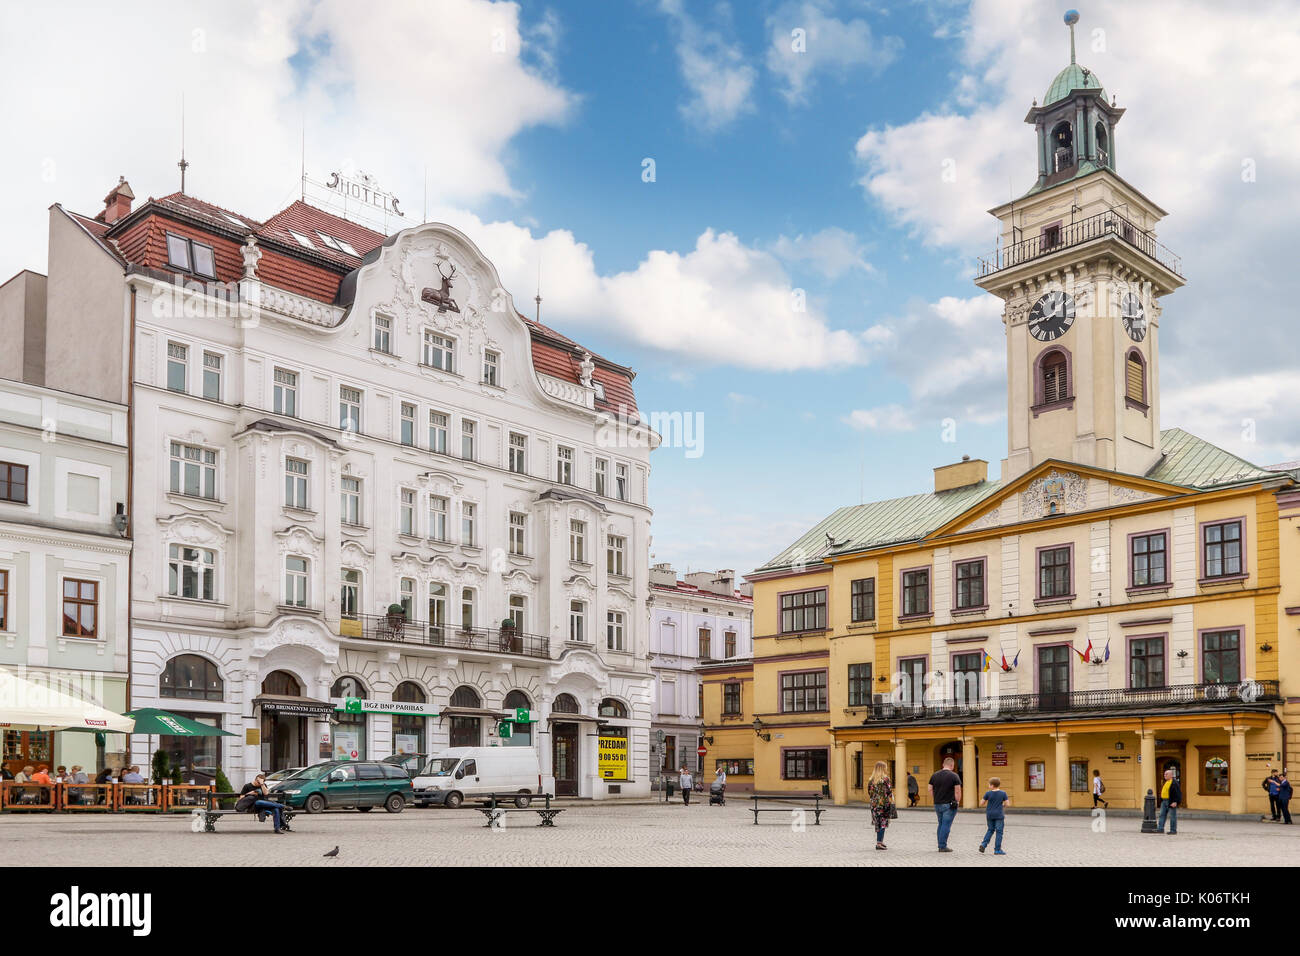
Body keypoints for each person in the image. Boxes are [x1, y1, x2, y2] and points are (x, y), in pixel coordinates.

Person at [928, 757, 963, 852]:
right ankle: (942, 846)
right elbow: (957, 791)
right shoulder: (954, 776)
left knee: (941, 824)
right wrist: (958, 802)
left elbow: (930, 789)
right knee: (946, 825)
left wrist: (935, 798)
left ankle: (940, 844)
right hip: (949, 804)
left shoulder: (934, 775)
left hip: (937, 803)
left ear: (943, 764)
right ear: (952, 765)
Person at [979, 776, 1010, 855]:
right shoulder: (1003, 793)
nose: (988, 785)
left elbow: (981, 803)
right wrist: (1002, 805)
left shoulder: (988, 793)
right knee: (999, 832)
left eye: (989, 784)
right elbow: (1007, 804)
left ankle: (983, 844)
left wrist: (986, 800)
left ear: (992, 785)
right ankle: (997, 849)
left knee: (990, 830)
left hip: (989, 814)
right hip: (999, 814)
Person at [867, 761, 894, 850]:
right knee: (883, 823)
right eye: (885, 767)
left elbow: (869, 793)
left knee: (877, 823)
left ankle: (880, 841)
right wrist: (891, 800)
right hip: (883, 804)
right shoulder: (886, 779)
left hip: (874, 804)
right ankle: (879, 843)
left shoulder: (871, 780)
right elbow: (889, 791)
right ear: (883, 769)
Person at [1157, 768, 1181, 835]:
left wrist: (1175, 802)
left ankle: (1173, 830)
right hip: (1164, 801)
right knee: (1162, 815)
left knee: (1173, 816)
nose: (1165, 775)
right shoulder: (1166, 782)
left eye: (1166, 774)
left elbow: (1178, 793)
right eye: (1164, 774)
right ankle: (1160, 828)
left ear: (1171, 775)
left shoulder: (1174, 783)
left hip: (1170, 801)